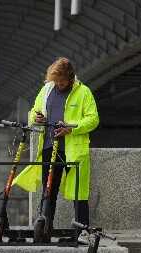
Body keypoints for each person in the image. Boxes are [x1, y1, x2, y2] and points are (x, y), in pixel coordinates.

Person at [13, 57, 99, 242]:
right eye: (56, 81)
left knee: (79, 192)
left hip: (73, 150)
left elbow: (93, 119)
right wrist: (36, 118)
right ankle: (45, 230)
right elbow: (32, 114)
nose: (59, 85)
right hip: (49, 147)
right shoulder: (47, 89)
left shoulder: (83, 92)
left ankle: (81, 232)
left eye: (62, 82)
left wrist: (72, 128)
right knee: (48, 190)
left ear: (70, 77)